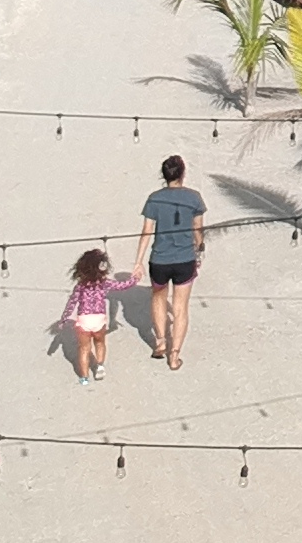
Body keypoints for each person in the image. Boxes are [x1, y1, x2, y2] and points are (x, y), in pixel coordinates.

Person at [135, 156, 207, 370]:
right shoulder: (194, 198)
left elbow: (146, 232)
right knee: (180, 308)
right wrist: (200, 251)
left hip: (159, 258)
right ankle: (174, 356)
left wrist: (138, 261)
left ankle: (160, 343)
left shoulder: (154, 198)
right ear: (182, 174)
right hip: (184, 259)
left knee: (158, 298)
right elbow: (198, 231)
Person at [61, 248, 133, 381]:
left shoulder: (80, 286)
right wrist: (135, 277)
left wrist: (64, 319)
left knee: (84, 349)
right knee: (100, 343)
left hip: (84, 319)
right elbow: (122, 285)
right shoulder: (104, 283)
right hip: (99, 319)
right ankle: (99, 365)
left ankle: (84, 378)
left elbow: (72, 303)